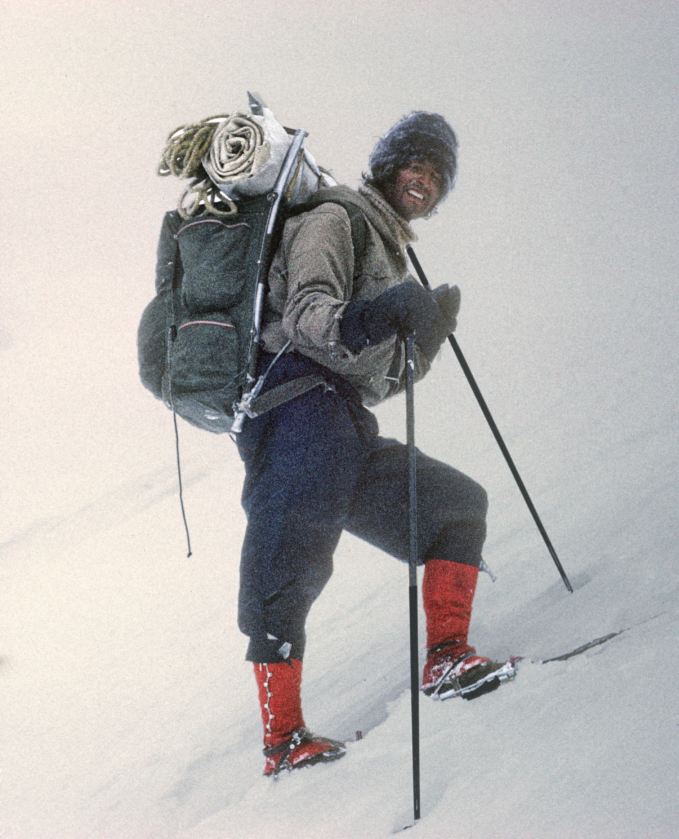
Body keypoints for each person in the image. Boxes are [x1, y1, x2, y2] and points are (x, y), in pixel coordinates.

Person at [237, 112, 511, 776]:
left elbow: (371, 378)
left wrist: (422, 342)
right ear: (388, 164)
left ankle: (446, 657)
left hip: (344, 421)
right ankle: (283, 741)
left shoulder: (388, 250)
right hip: (295, 410)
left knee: (454, 507)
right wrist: (383, 313)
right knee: (289, 561)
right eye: (416, 164)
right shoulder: (335, 219)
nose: (426, 181)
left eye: (438, 176)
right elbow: (307, 322)